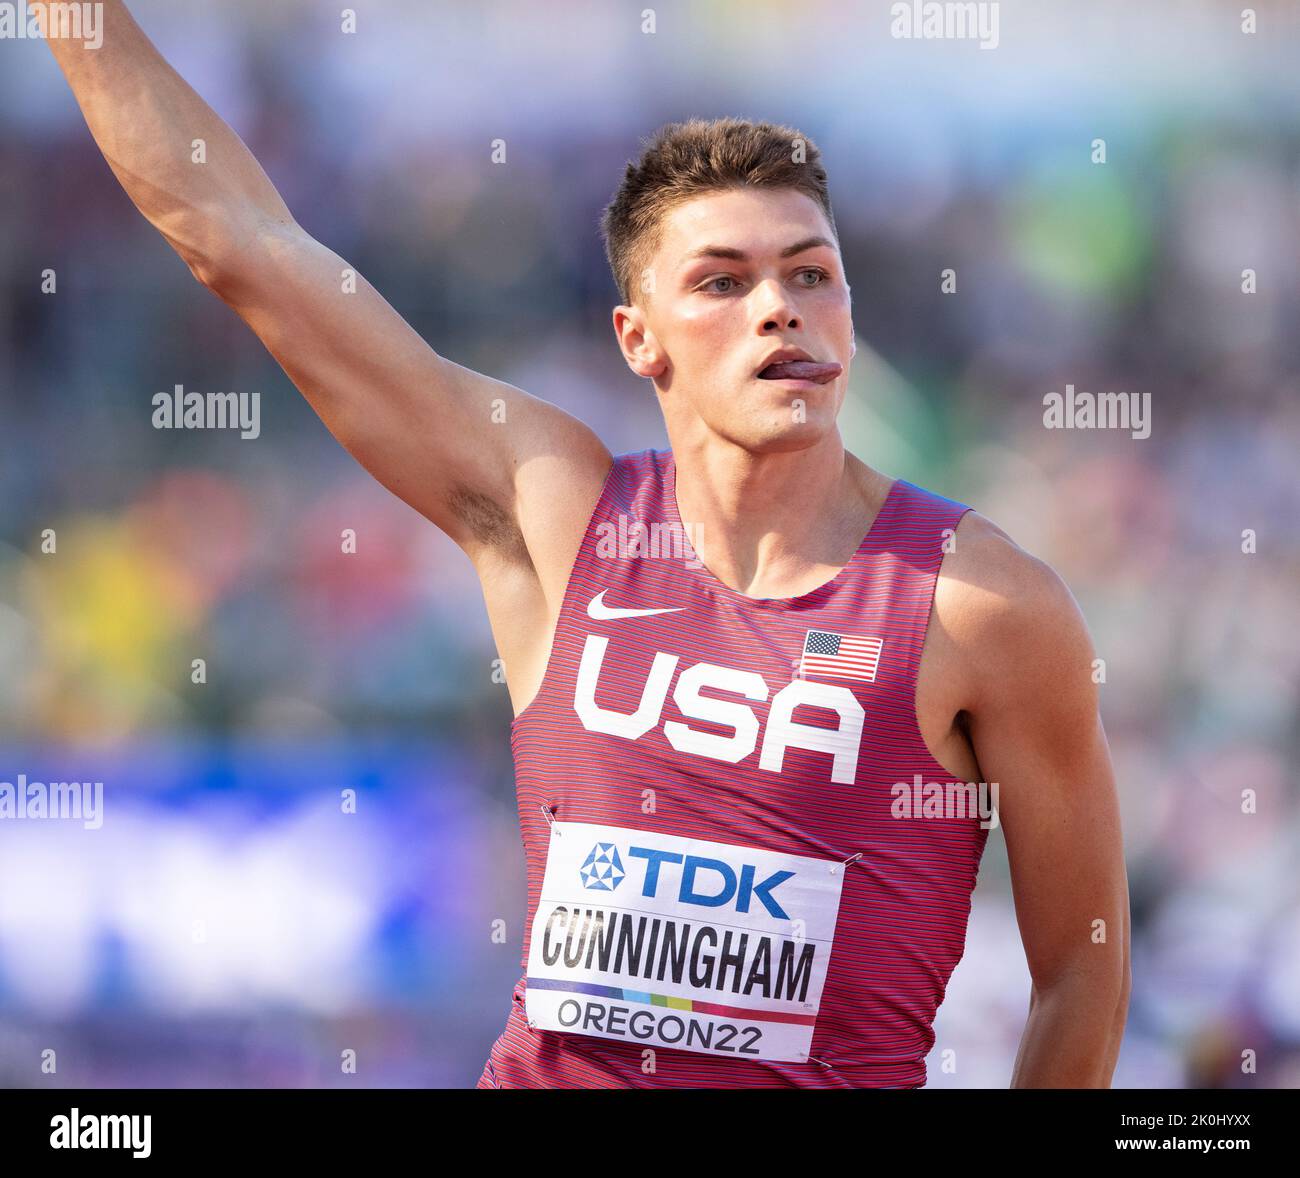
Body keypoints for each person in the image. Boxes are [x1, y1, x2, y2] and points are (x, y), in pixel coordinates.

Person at [39, 1, 1130, 1088]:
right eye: (721, 281)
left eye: (809, 273)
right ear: (637, 337)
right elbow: (241, 241)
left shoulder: (980, 603)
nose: (778, 309)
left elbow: (1082, 975)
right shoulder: (557, 512)